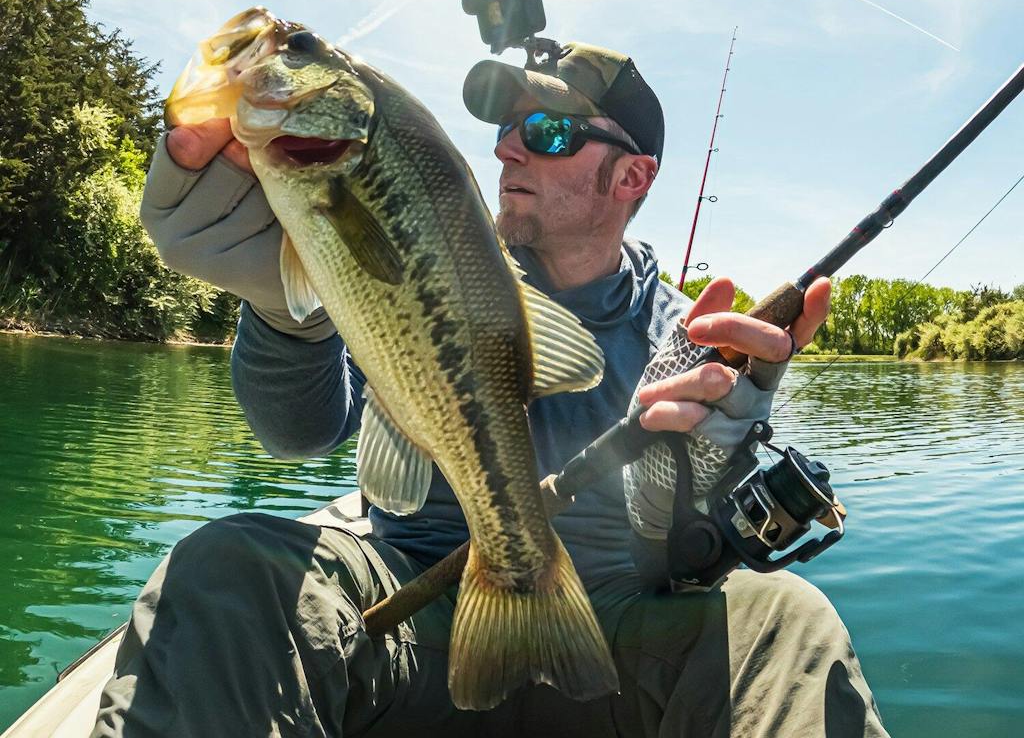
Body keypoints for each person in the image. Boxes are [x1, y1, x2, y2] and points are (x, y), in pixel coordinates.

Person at [92, 40, 888, 737]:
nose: (509, 151)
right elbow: (299, 435)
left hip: (612, 640)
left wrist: (700, 458)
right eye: (505, 132)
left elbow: (672, 548)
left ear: (631, 176)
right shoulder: (432, 261)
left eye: (547, 132)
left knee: (790, 621)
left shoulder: (693, 333)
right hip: (407, 619)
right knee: (225, 568)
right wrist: (280, 309)